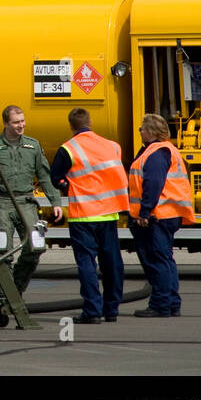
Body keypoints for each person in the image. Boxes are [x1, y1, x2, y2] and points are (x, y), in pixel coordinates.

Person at [0, 105, 63, 293]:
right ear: (5, 123)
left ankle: (15, 290)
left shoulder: (33, 146)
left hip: (26, 202)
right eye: (16, 122)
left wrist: (56, 202)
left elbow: (44, 175)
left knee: (36, 247)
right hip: (1, 203)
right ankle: (6, 297)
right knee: (2, 252)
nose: (21, 125)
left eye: (22, 121)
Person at [51, 108, 127, 323]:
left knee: (87, 264)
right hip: (108, 213)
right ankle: (111, 309)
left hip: (83, 215)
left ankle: (92, 310)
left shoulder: (68, 148)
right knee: (112, 263)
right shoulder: (112, 145)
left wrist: (68, 185)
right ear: (90, 123)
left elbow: (55, 177)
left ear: (71, 126)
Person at [128, 113, 195, 317]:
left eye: (142, 128)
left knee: (157, 260)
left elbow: (153, 184)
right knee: (165, 259)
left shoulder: (157, 153)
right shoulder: (165, 150)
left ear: (150, 131)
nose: (140, 131)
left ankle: (161, 304)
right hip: (167, 213)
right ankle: (171, 302)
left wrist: (144, 212)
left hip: (158, 215)